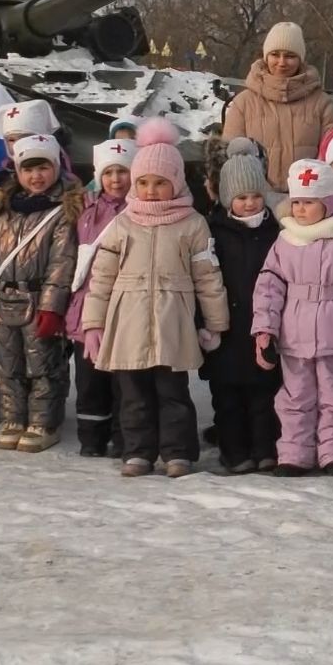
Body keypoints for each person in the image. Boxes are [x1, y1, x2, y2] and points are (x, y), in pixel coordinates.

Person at [80, 120, 229, 479]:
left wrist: (215, 323)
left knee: (173, 392)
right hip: (128, 319)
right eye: (143, 182)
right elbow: (100, 277)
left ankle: (178, 452)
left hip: (171, 320)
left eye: (160, 183)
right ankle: (138, 451)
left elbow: (208, 277)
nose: (150, 190)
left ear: (175, 182)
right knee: (132, 395)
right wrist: (93, 324)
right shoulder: (122, 223)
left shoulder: (192, 224)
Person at [251, 159, 333, 478]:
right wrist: (265, 330)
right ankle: (294, 452)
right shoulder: (285, 240)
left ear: (329, 202)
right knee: (295, 397)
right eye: (296, 202)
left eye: (309, 202)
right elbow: (269, 286)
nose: (301, 209)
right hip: (293, 334)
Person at [0, 133, 84, 455]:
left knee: (44, 364)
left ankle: (44, 421)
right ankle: (13, 418)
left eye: (43, 167)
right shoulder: (5, 209)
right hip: (2, 298)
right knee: (6, 365)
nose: (36, 176)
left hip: (39, 298)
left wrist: (53, 307)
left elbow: (62, 262)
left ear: (56, 167)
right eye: (28, 169)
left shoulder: (62, 211)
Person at [205, 140, 283, 475]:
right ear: (227, 200)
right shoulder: (215, 231)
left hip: (264, 326)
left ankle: (266, 448)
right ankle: (234, 451)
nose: (250, 203)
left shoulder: (276, 230)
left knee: (265, 393)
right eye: (241, 197)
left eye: (255, 195)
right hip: (227, 325)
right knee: (228, 397)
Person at [67, 137, 135, 457]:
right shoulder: (84, 208)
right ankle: (92, 437)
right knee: (89, 378)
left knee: (123, 379)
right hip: (88, 304)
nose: (116, 179)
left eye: (123, 171)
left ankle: (123, 436)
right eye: (109, 173)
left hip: (125, 305)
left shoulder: (140, 210)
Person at [220, 22, 333, 183]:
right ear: (265, 57)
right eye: (275, 54)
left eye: (290, 56)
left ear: (300, 59)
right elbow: (231, 158)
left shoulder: (321, 104)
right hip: (256, 199)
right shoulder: (243, 103)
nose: (282, 62)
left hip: (308, 199)